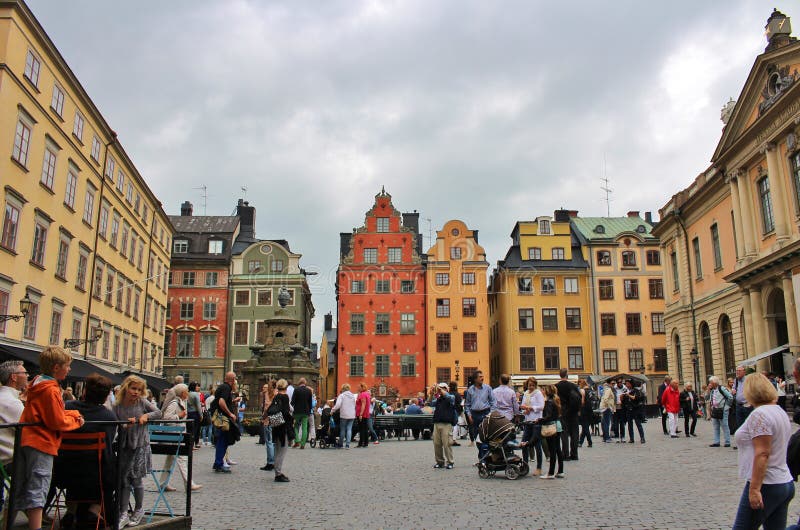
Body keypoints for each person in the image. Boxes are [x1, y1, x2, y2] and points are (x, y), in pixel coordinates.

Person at [16, 346, 84, 530]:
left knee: (19, 487)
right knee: (38, 488)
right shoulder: (50, 389)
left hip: (27, 439)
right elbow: (56, 421)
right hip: (42, 442)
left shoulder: (37, 384)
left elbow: (51, 413)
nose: (69, 369)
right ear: (56, 367)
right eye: (67, 366)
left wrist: (71, 413)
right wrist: (76, 419)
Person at [731, 373, 794, 529]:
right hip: (784, 481)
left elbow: (762, 453)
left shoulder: (759, 415)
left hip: (767, 483)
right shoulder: (779, 411)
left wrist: (754, 489)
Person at [57, 373, 117, 529]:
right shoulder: (108, 416)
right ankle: (95, 509)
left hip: (63, 470)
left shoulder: (67, 407)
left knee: (77, 463)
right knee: (112, 465)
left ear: (85, 390)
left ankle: (71, 510)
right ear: (105, 396)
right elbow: (109, 443)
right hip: (95, 474)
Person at [113, 374, 161, 528]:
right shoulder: (117, 404)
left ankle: (139, 509)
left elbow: (158, 413)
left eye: (139, 390)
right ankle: (123, 512)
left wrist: (146, 415)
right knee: (124, 479)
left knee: (136, 478)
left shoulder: (142, 402)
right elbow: (115, 423)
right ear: (126, 387)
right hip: (125, 445)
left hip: (140, 444)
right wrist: (124, 425)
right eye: (133, 388)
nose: (136, 392)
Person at [161, 384, 202, 492]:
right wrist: (179, 415)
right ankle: (189, 483)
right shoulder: (174, 403)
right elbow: (166, 418)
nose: (188, 392)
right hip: (174, 435)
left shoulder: (182, 402)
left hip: (177, 435)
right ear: (182, 393)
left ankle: (163, 483)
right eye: (187, 391)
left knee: (170, 459)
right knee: (182, 459)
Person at [0, 359, 27, 510]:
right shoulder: (12, 402)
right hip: (8, 459)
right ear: (14, 377)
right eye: (24, 373)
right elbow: (28, 432)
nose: (27, 376)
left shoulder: (6, 397)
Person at [464, 370, 495, 459]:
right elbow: (467, 404)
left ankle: (483, 457)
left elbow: (493, 402)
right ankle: (482, 455)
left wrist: (490, 414)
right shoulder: (470, 390)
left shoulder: (488, 388)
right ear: (475, 379)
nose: (482, 378)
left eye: (482, 376)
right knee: (476, 437)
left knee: (485, 436)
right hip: (474, 415)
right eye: (480, 377)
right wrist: (469, 415)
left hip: (485, 413)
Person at [210, 372, 238, 472]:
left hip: (220, 417)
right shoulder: (226, 388)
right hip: (223, 419)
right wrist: (230, 414)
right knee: (223, 441)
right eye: (235, 379)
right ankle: (219, 463)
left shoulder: (222, 387)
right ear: (232, 380)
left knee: (222, 441)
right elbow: (221, 401)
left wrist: (232, 402)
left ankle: (219, 463)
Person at [537, 385, 564, 479]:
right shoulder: (556, 400)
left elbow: (548, 416)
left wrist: (540, 420)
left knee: (552, 450)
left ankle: (551, 473)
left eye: (544, 390)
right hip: (558, 425)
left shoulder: (548, 402)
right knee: (558, 449)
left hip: (551, 426)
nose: (542, 391)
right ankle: (560, 471)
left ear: (547, 392)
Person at [520, 377, 544, 476]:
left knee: (537, 445)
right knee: (524, 443)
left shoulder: (538, 393)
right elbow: (522, 405)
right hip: (527, 421)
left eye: (533, 385)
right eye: (530, 385)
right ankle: (525, 466)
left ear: (535, 385)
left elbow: (541, 406)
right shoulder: (526, 393)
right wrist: (524, 410)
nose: (531, 387)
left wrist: (531, 408)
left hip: (536, 421)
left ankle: (539, 468)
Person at [270, 379, 293, 482]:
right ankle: (278, 473)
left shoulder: (276, 396)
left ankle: (277, 471)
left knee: (277, 449)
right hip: (283, 426)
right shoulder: (285, 397)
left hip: (276, 425)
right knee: (282, 450)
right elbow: (286, 412)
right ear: (286, 387)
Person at [555, 368, 581, 460]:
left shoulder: (556, 386)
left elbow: (555, 400)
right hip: (573, 411)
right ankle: (574, 454)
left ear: (560, 375)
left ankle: (565, 454)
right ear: (567, 374)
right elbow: (579, 398)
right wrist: (578, 410)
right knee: (574, 433)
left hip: (562, 411)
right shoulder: (573, 386)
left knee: (564, 433)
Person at [431, 382, 456, 469]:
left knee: (447, 444)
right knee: (437, 444)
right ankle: (439, 462)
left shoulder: (451, 397)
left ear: (446, 389)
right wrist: (431, 394)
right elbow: (430, 403)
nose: (440, 390)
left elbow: (449, 397)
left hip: (446, 424)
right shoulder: (438, 399)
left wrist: (440, 390)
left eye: (442, 388)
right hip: (437, 423)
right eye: (440, 388)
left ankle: (450, 462)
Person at [708, 375, 734, 448]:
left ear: (714, 383)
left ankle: (727, 442)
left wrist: (726, 407)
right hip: (715, 410)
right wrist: (712, 407)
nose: (709, 384)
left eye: (711, 382)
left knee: (725, 426)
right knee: (716, 426)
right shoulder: (712, 390)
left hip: (722, 410)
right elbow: (711, 399)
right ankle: (716, 442)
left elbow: (730, 397)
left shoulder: (721, 388)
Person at [331, 383, 356, 449]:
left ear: (343, 389)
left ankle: (341, 444)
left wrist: (332, 410)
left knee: (343, 429)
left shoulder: (342, 395)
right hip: (352, 414)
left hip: (344, 414)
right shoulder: (352, 396)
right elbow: (354, 405)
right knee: (349, 429)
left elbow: (338, 405)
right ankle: (347, 445)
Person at [290, 377, 313, 449]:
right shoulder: (309, 391)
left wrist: (291, 408)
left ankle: (297, 441)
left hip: (297, 412)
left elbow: (292, 402)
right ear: (305, 383)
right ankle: (303, 444)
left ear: (299, 383)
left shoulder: (296, 390)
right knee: (304, 427)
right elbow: (310, 403)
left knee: (295, 426)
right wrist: (309, 411)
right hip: (306, 412)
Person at [260, 380, 276, 471]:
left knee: (269, 441)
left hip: (268, 420)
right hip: (276, 419)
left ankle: (270, 462)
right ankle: (273, 461)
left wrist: (263, 417)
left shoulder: (267, 394)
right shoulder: (277, 393)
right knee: (273, 442)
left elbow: (266, 408)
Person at [732, 365, 751, 432]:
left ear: (744, 372)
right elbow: (734, 388)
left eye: (739, 371)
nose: (737, 372)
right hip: (738, 406)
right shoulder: (736, 380)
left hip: (747, 405)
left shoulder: (748, 380)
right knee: (740, 425)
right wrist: (733, 390)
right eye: (737, 371)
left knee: (749, 424)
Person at [577, 379, 594, 448]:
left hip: (584, 410)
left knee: (585, 427)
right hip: (590, 410)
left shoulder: (582, 390)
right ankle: (580, 442)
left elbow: (582, 402)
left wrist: (579, 410)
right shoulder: (590, 390)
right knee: (585, 426)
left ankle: (590, 442)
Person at [186, 382, 202, 450]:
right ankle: (192, 445)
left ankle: (188, 444)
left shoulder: (187, 394)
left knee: (189, 430)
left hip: (188, 413)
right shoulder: (196, 394)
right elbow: (198, 406)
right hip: (195, 413)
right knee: (195, 430)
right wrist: (201, 415)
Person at [355, 383, 371, 448]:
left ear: (362, 387)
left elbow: (363, 404)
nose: (358, 388)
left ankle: (361, 443)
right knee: (365, 428)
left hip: (361, 414)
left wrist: (361, 414)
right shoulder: (367, 394)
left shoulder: (362, 394)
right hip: (366, 413)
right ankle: (365, 442)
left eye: (359, 387)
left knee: (361, 429)